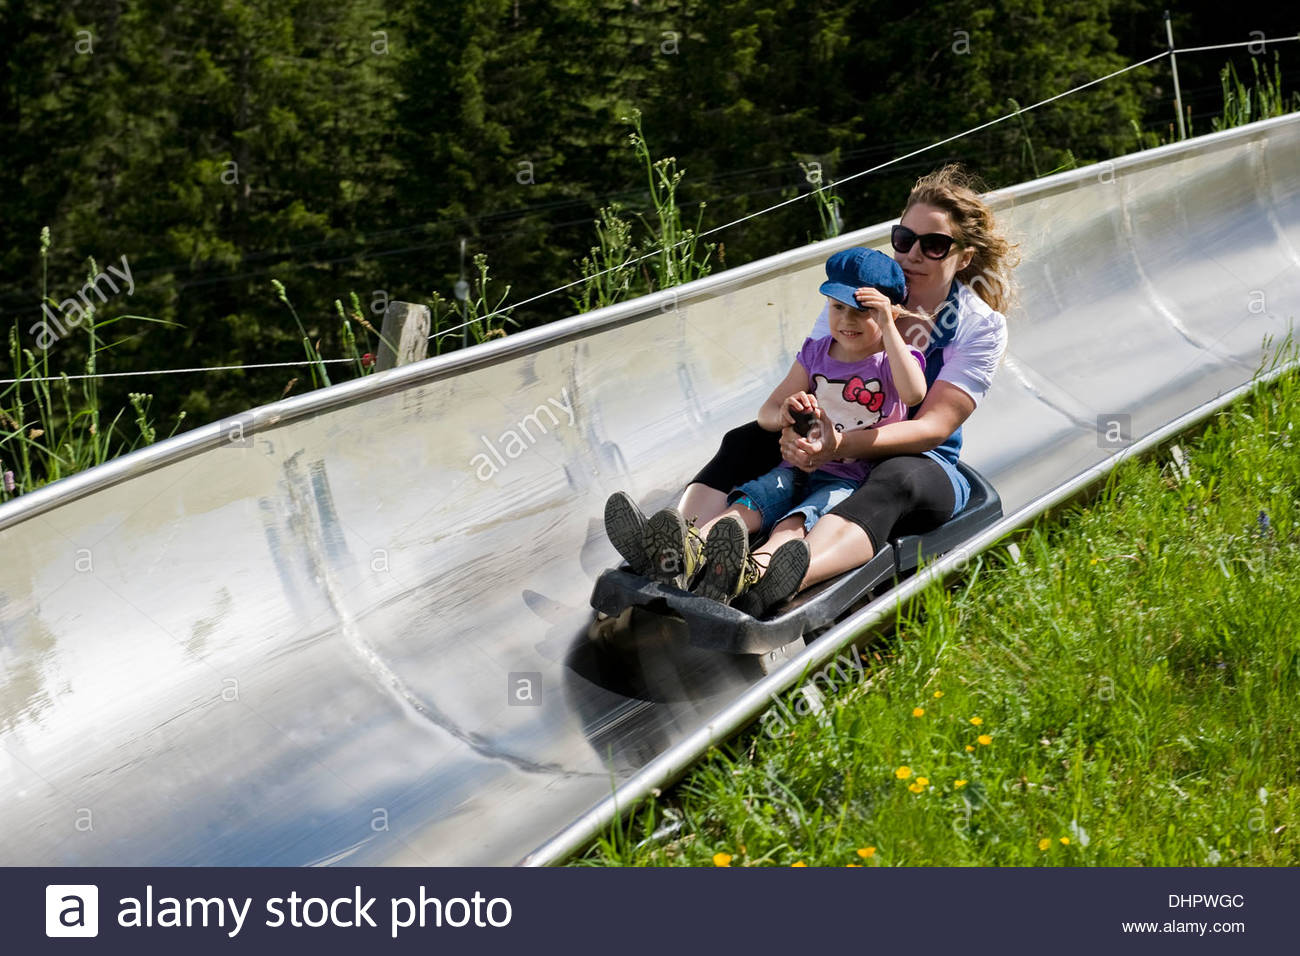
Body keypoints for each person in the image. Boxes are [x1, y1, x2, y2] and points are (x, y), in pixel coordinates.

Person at [605, 163, 1016, 615]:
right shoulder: (858, 294)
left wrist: (840, 447)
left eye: (934, 245)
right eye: (904, 239)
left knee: (894, 478)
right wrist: (797, 428)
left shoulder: (978, 325)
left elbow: (933, 426)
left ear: (965, 257)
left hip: (917, 458)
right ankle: (679, 547)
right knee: (746, 440)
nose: (913, 254)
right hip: (828, 437)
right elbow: (816, 380)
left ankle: (769, 574)